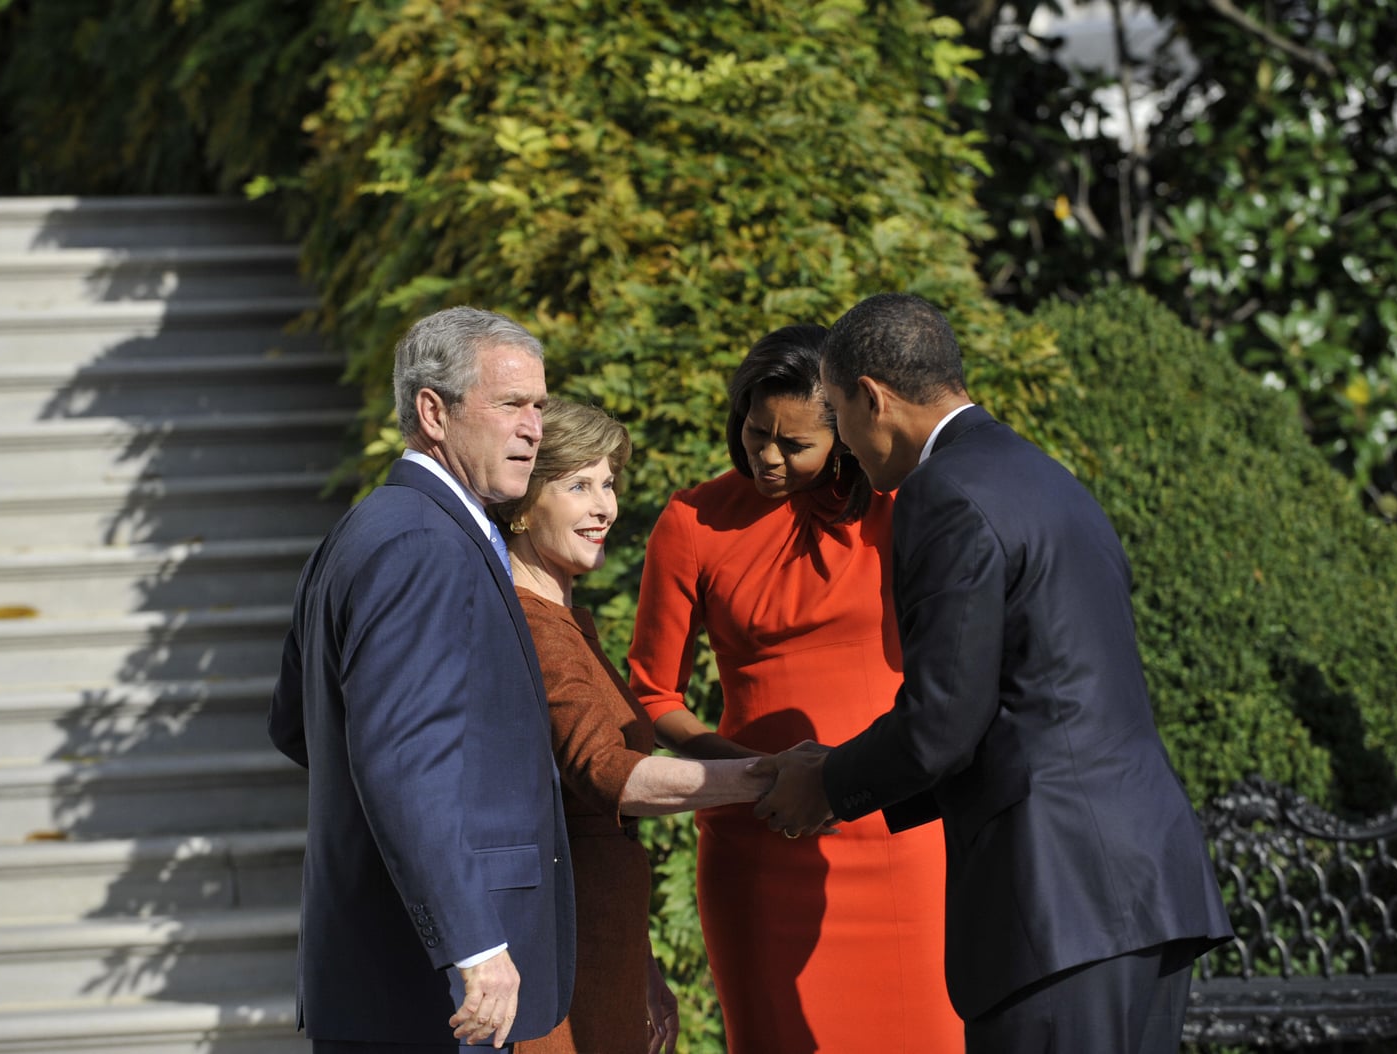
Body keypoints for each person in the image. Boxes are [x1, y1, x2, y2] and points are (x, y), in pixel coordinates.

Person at [755, 292, 1234, 1054]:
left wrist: (828, 783)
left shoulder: (941, 495)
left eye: (839, 413)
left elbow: (945, 721)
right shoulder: (1046, 476)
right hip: (1144, 883)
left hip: (1058, 896)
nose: (843, 443)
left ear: (872, 399)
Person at [627, 325, 965, 1053]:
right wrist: (753, 773)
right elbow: (653, 694)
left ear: (843, 434)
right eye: (756, 433)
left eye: (795, 444)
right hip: (761, 835)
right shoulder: (691, 521)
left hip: (897, 837)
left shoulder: (900, 507)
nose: (768, 456)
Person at [269, 306, 573, 1052]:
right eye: (510, 405)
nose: (534, 427)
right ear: (433, 413)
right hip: (434, 993)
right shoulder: (420, 543)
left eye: (539, 405)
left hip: (396, 984)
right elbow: (403, 760)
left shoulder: (373, 526)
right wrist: (473, 945)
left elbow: (296, 727)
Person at [491, 399, 774, 1054]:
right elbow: (610, 776)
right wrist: (766, 777)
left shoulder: (565, 617)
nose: (605, 507)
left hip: (602, 948)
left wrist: (643, 969)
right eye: (579, 485)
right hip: (561, 958)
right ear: (525, 504)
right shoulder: (533, 625)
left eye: (609, 483)